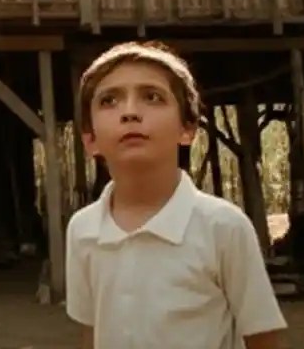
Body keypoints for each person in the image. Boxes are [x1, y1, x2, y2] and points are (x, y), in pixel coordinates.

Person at [65, 41, 287, 349]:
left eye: (152, 97)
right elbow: (91, 334)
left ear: (188, 128)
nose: (129, 112)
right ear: (90, 140)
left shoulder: (223, 227)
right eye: (109, 100)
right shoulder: (82, 230)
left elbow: (263, 338)